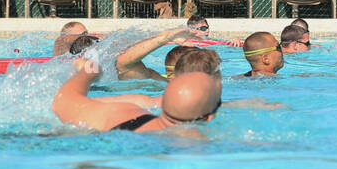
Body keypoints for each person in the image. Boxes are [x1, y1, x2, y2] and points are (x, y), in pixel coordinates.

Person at [52, 60, 222, 132]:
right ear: (210, 118)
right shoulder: (211, 146)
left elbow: (62, 102)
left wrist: (89, 71)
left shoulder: (125, 115)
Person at [115, 27, 199, 82]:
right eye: (170, 73)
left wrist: (165, 39)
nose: (174, 78)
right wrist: (165, 38)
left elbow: (123, 64)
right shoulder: (161, 84)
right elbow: (122, 63)